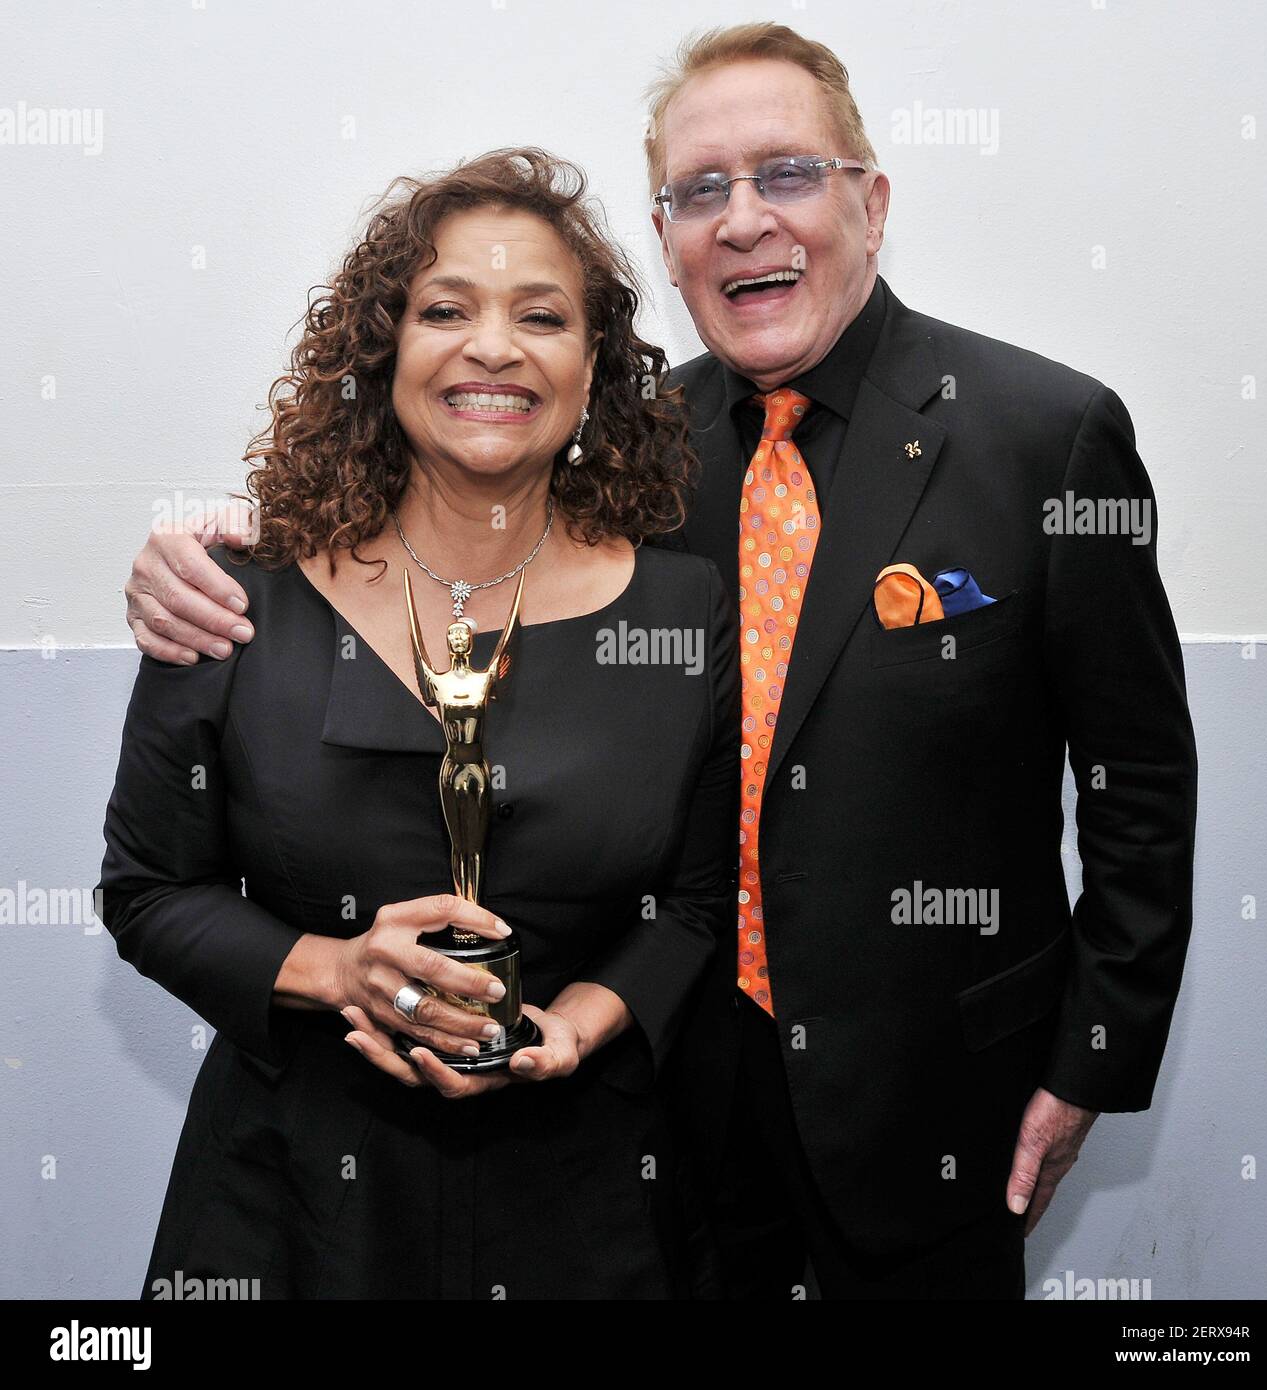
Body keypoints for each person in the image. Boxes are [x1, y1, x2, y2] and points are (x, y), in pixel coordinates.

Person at [121, 23, 1199, 1300]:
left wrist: (1089, 1060)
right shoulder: (639, 456)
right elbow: (442, 494)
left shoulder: (1043, 435)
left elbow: (1138, 782)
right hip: (664, 1113)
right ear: (668, 238)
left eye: (786, 173)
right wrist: (211, 541)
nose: (742, 220)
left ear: (871, 202)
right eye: (699, 191)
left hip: (931, 1100)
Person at [98, 147, 739, 1300]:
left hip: (584, 1200)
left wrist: (576, 1023)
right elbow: (147, 892)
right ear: (382, 351)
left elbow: (695, 904)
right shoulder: (234, 593)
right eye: (445, 309)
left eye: (540, 315)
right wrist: (336, 970)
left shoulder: (685, 611)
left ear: (592, 367)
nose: (493, 346)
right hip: (289, 1205)